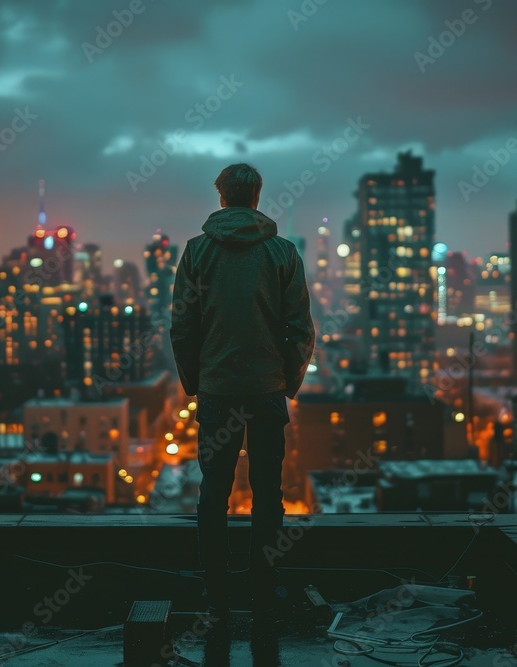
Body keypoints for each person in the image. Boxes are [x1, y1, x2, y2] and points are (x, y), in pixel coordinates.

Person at [170, 163, 315, 618]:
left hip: (216, 391)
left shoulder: (196, 252)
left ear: (221, 197)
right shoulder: (283, 253)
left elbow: (182, 326)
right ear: (256, 196)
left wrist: (196, 381)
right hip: (267, 389)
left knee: (213, 490)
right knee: (267, 491)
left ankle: (215, 590)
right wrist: (287, 382)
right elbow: (300, 328)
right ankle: (263, 586)